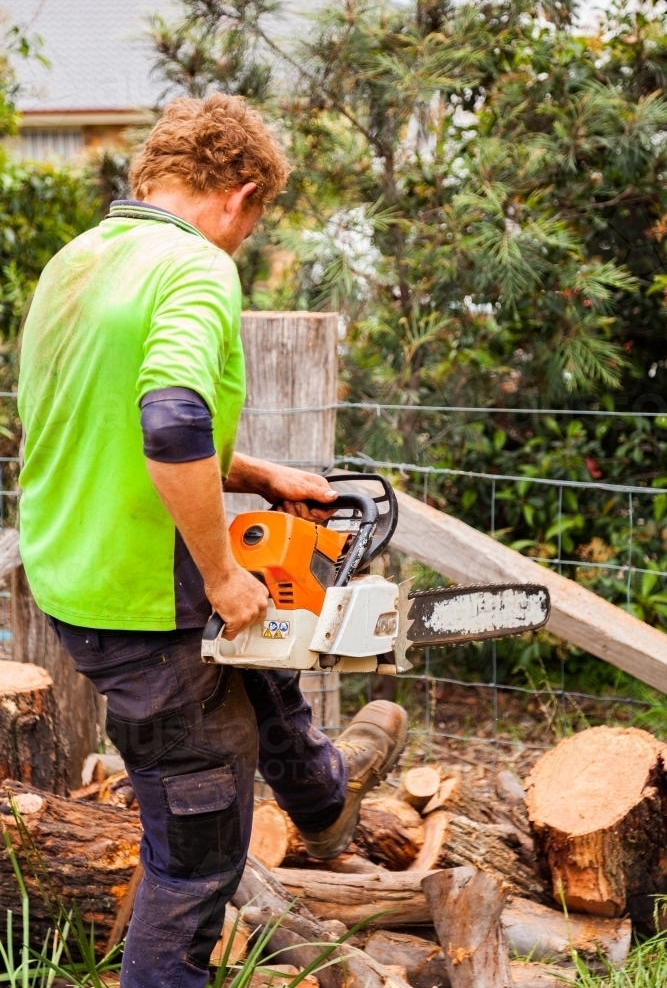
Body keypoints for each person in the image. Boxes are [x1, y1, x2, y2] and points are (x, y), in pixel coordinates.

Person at [17, 93, 407, 988]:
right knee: (196, 857)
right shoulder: (194, 268)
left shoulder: (76, 262)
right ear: (239, 196)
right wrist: (224, 572)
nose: (243, 240)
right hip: (145, 607)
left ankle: (326, 810)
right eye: (252, 221)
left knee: (263, 680)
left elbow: (110, 421)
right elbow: (170, 421)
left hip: (80, 574)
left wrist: (257, 474)